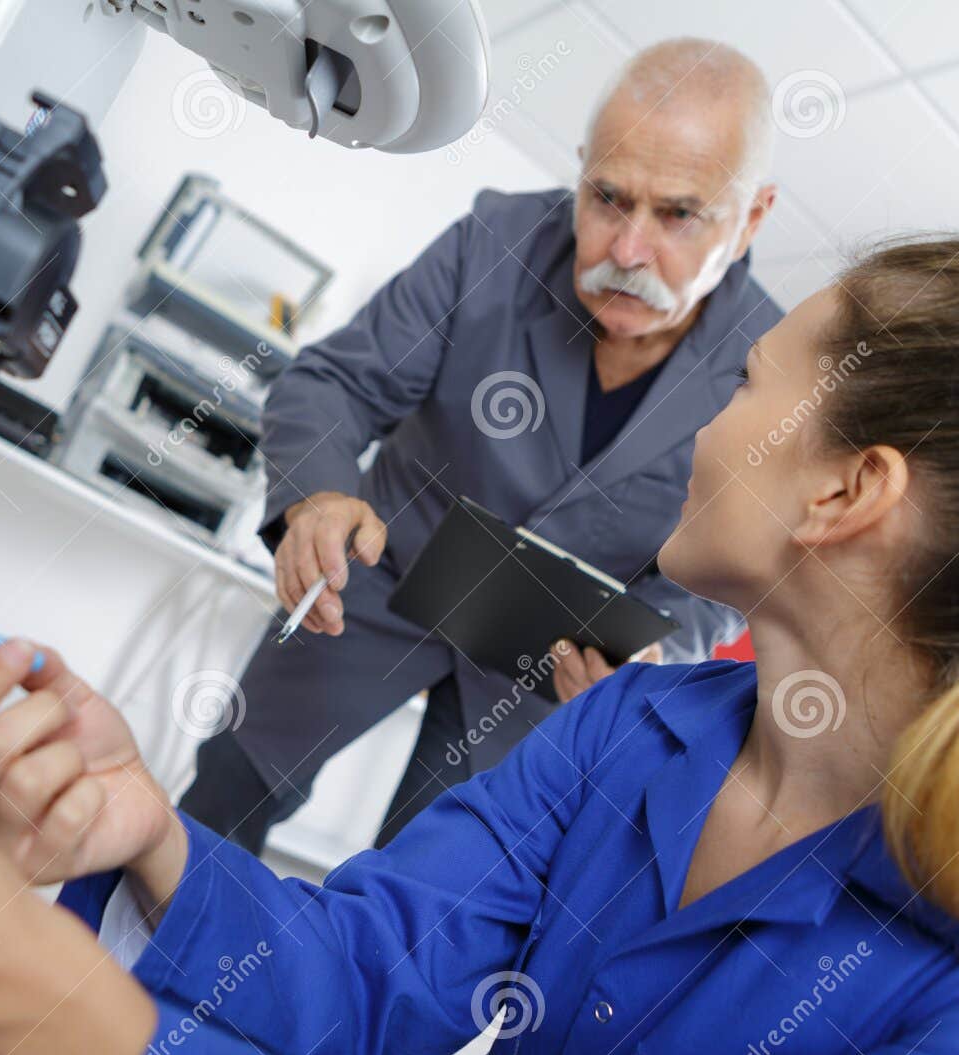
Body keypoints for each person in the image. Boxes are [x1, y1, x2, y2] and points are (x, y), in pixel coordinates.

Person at [0, 237, 959, 1055]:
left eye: (750, 385)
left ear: (845, 494)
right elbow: (372, 982)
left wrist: (39, 1009)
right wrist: (151, 838)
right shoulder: (635, 737)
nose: (708, 416)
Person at [181, 38, 782, 853]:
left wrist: (659, 652)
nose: (628, 250)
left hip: (549, 667)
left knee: (427, 889)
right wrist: (314, 494)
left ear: (750, 219)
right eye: (606, 198)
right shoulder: (492, 240)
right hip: (376, 575)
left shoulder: (774, 368)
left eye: (678, 214)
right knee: (225, 791)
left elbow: (733, 570)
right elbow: (331, 383)